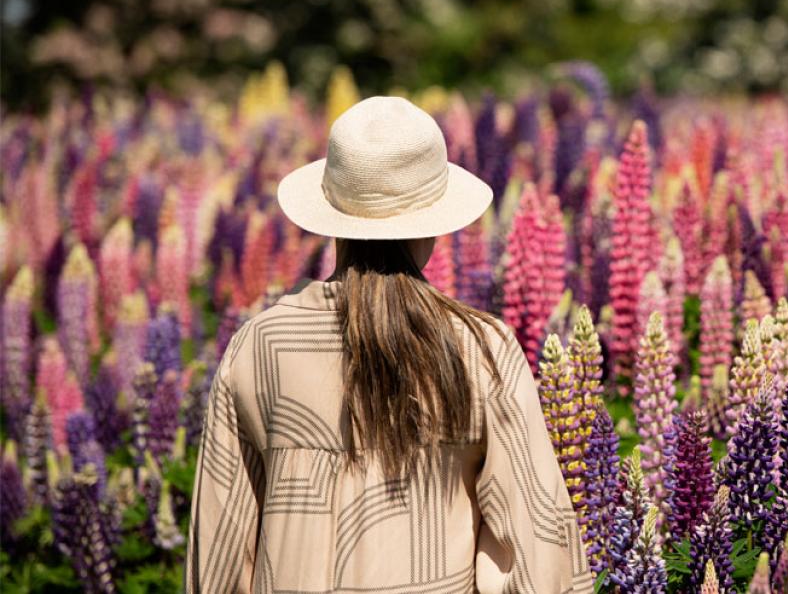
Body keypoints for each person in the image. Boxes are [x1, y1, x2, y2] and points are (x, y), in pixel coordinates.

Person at [186, 97, 591, 593]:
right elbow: (535, 548)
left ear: (333, 217)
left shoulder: (258, 346)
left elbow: (222, 550)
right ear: (433, 224)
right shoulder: (482, 348)